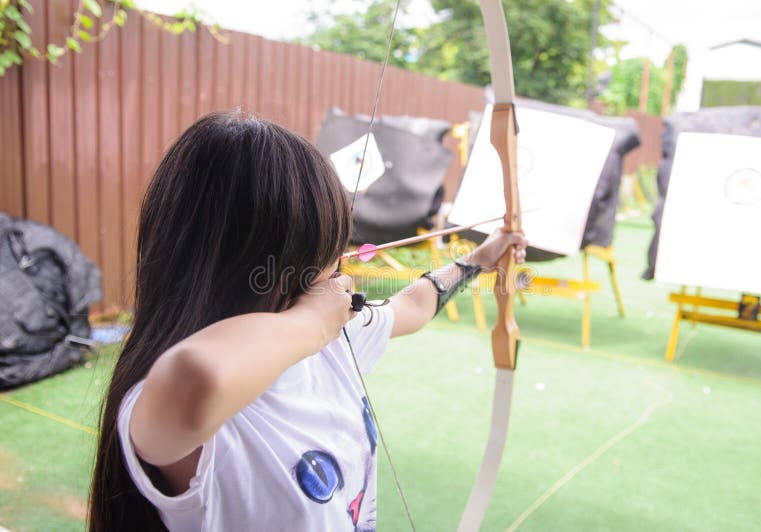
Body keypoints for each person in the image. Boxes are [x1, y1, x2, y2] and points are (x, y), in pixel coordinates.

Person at [88, 110, 527, 531]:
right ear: (269, 262)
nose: (338, 262)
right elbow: (196, 374)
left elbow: (411, 307)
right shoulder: (166, 403)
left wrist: (477, 261)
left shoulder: (328, 337)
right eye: (324, 249)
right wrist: (315, 322)